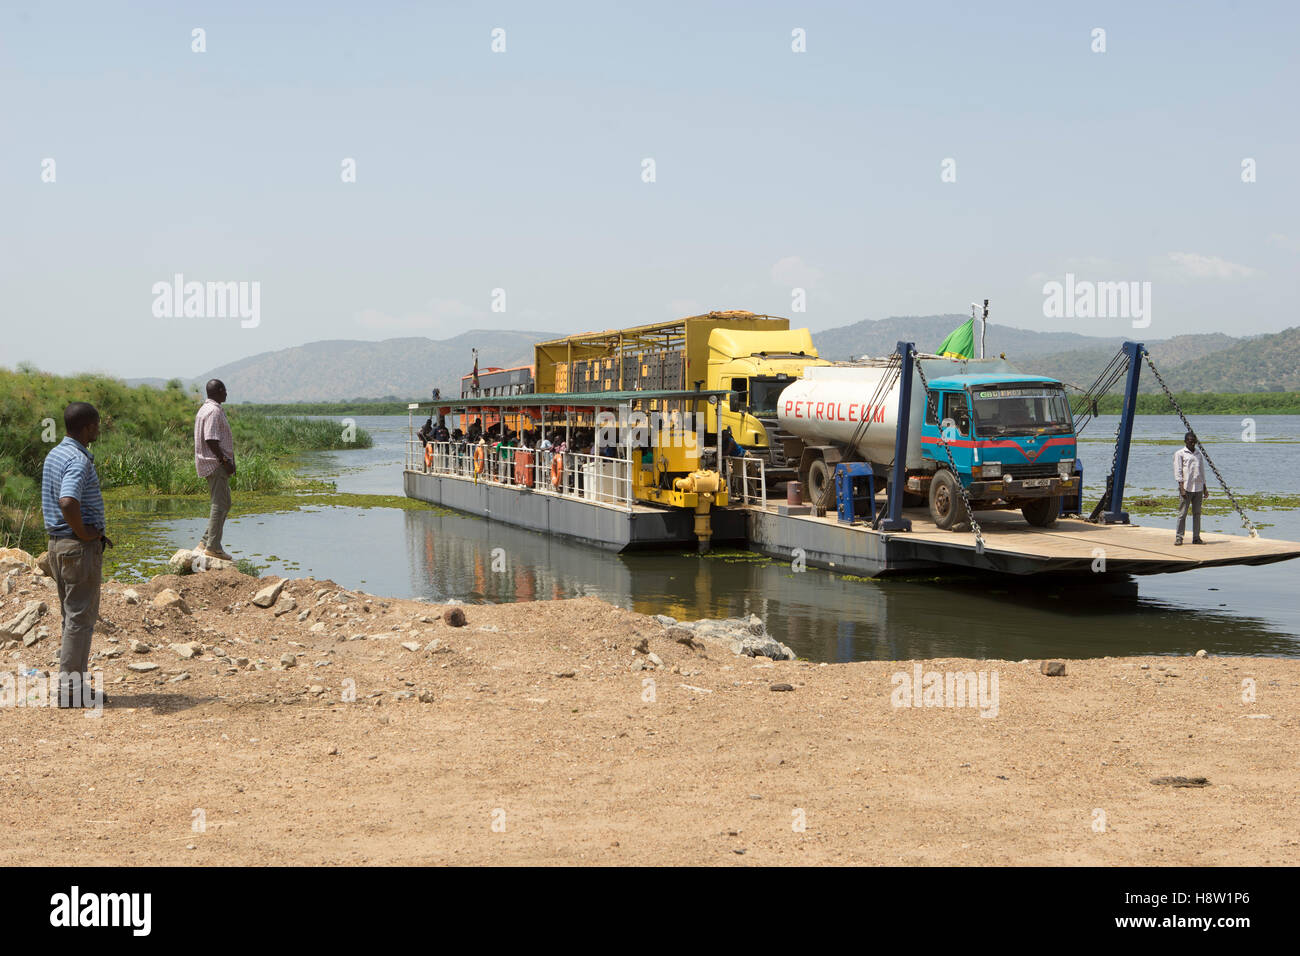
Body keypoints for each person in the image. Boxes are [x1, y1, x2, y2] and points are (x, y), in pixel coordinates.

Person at [42, 401, 110, 709]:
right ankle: (70, 693)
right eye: (96, 425)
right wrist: (85, 533)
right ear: (86, 427)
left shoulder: (56, 453)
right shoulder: (78, 460)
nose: (98, 429)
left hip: (58, 545)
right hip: (76, 547)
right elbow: (68, 502)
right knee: (80, 619)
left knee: (72, 617)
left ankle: (73, 687)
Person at [194, 379, 236, 561]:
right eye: (225, 390)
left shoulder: (207, 408)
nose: (227, 393)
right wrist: (224, 460)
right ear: (218, 391)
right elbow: (211, 439)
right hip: (215, 464)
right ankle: (212, 547)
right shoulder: (213, 411)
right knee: (219, 504)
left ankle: (205, 542)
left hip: (213, 463)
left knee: (225, 502)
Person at [1173, 430, 1209, 545]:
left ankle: (1196, 537)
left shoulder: (1199, 454)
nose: (1192, 443)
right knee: (1182, 514)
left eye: (1193, 441)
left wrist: (1205, 487)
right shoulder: (1180, 453)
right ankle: (1179, 537)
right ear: (1185, 441)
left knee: (1197, 514)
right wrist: (1181, 487)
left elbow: (1201, 471)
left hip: (1198, 487)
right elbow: (1178, 471)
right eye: (1189, 440)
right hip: (1186, 488)